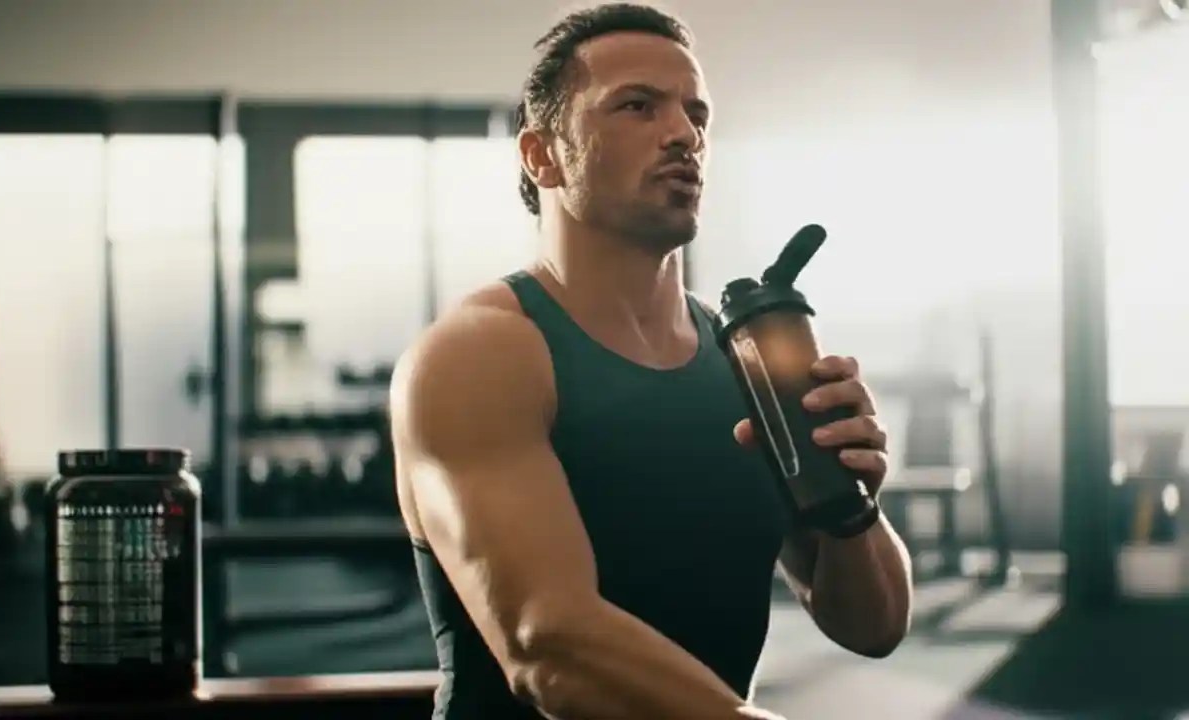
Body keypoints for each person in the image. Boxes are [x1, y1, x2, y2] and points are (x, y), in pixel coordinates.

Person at [389, 4, 914, 718]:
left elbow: (872, 625)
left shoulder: (743, 358)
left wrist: (850, 508)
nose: (683, 135)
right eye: (638, 106)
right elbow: (549, 645)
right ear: (542, 154)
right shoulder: (477, 354)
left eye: (697, 115)